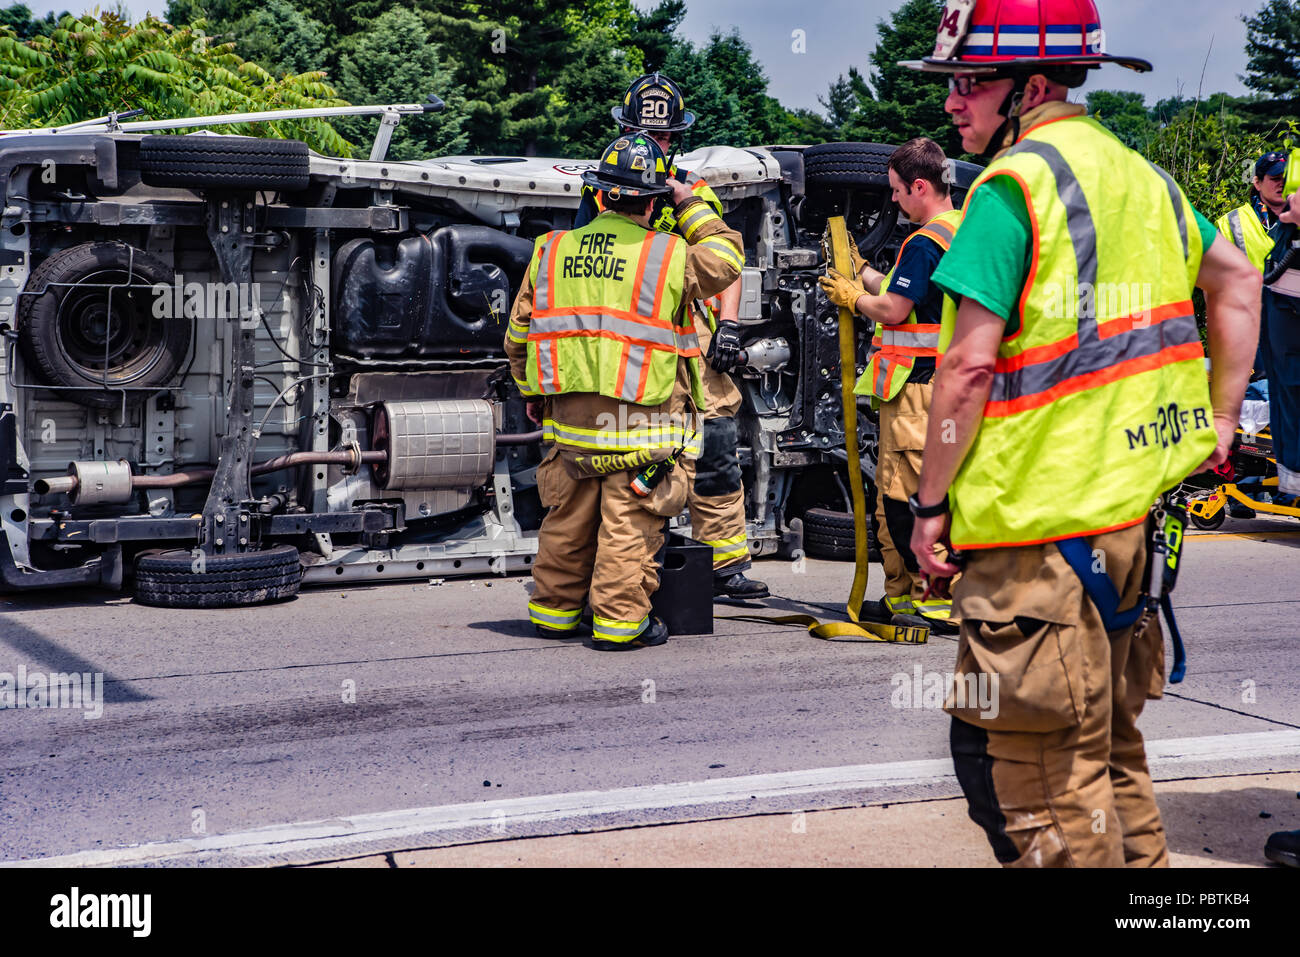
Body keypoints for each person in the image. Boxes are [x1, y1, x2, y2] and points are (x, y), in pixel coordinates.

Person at [903, 0, 1261, 866]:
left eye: (968, 83)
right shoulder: (1147, 181)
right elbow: (1240, 282)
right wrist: (1218, 417)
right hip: (1124, 530)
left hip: (1038, 538)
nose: (954, 105)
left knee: (1039, 791)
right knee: (1108, 759)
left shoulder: (1011, 188)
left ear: (1028, 87)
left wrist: (929, 504)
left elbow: (967, 369)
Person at [505, 133, 744, 650]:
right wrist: (695, 203)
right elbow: (726, 259)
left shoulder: (551, 250)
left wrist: (532, 391)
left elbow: (519, 336)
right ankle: (619, 625)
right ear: (654, 201)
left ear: (599, 194)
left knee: (567, 520)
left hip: (570, 425)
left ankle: (553, 615)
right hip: (641, 427)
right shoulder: (670, 256)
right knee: (627, 525)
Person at [574, 73, 769, 602]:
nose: (654, 146)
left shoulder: (693, 190)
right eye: (644, 133)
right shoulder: (603, 190)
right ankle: (631, 563)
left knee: (718, 445)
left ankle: (724, 564)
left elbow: (726, 262)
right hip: (636, 341)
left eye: (662, 138)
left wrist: (727, 327)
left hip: (694, 339)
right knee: (637, 451)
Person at [818, 137, 962, 635]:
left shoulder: (924, 241)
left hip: (921, 392)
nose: (894, 201)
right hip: (939, 390)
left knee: (911, 501)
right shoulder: (958, 230)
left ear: (919, 186)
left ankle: (935, 602)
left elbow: (894, 310)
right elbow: (906, 290)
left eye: (898, 191)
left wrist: (852, 297)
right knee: (900, 499)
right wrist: (863, 274)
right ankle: (902, 599)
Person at [1216, 151, 1288, 272]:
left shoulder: (1296, 219)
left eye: (1286, 178)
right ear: (1257, 183)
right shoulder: (1232, 223)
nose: (1282, 184)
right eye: (1275, 179)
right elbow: (1213, 278)